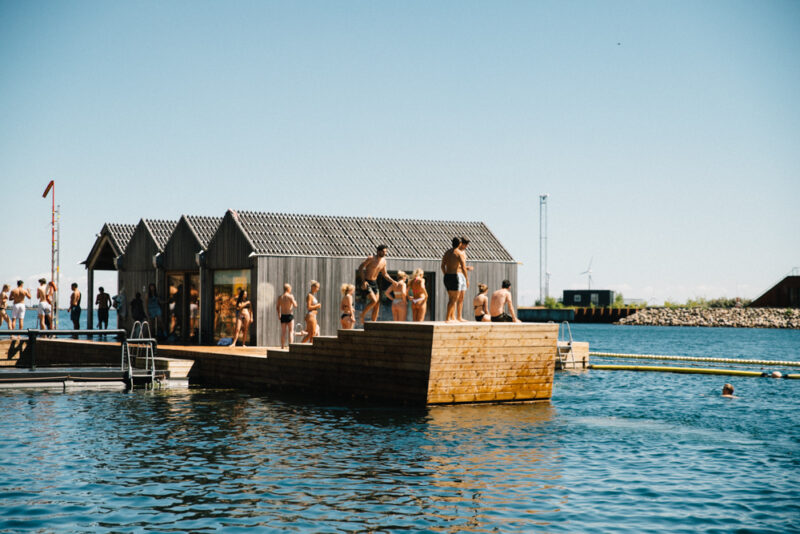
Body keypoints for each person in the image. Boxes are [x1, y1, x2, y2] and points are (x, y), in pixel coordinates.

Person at [358, 245, 395, 323]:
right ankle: (362, 314)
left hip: (374, 282)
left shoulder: (384, 261)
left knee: (377, 304)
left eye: (386, 251)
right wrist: (363, 281)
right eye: (383, 251)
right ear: (378, 251)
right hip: (367, 281)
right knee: (374, 301)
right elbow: (361, 267)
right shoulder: (371, 258)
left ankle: (373, 322)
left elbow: (385, 274)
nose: (385, 253)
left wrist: (393, 281)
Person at [441, 237, 469, 322]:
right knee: (454, 299)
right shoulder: (458, 253)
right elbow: (463, 268)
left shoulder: (447, 252)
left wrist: (446, 274)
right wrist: (467, 279)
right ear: (460, 244)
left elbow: (442, 266)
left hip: (447, 276)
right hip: (455, 276)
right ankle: (447, 319)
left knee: (451, 298)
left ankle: (449, 318)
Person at [276, 283, 298, 349]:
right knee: (291, 331)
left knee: (283, 332)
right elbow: (295, 305)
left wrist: (279, 314)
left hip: (283, 315)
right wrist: (294, 299)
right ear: (288, 289)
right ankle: (291, 346)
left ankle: (282, 346)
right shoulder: (290, 296)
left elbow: (277, 307)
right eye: (290, 288)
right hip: (289, 315)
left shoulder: (280, 297)